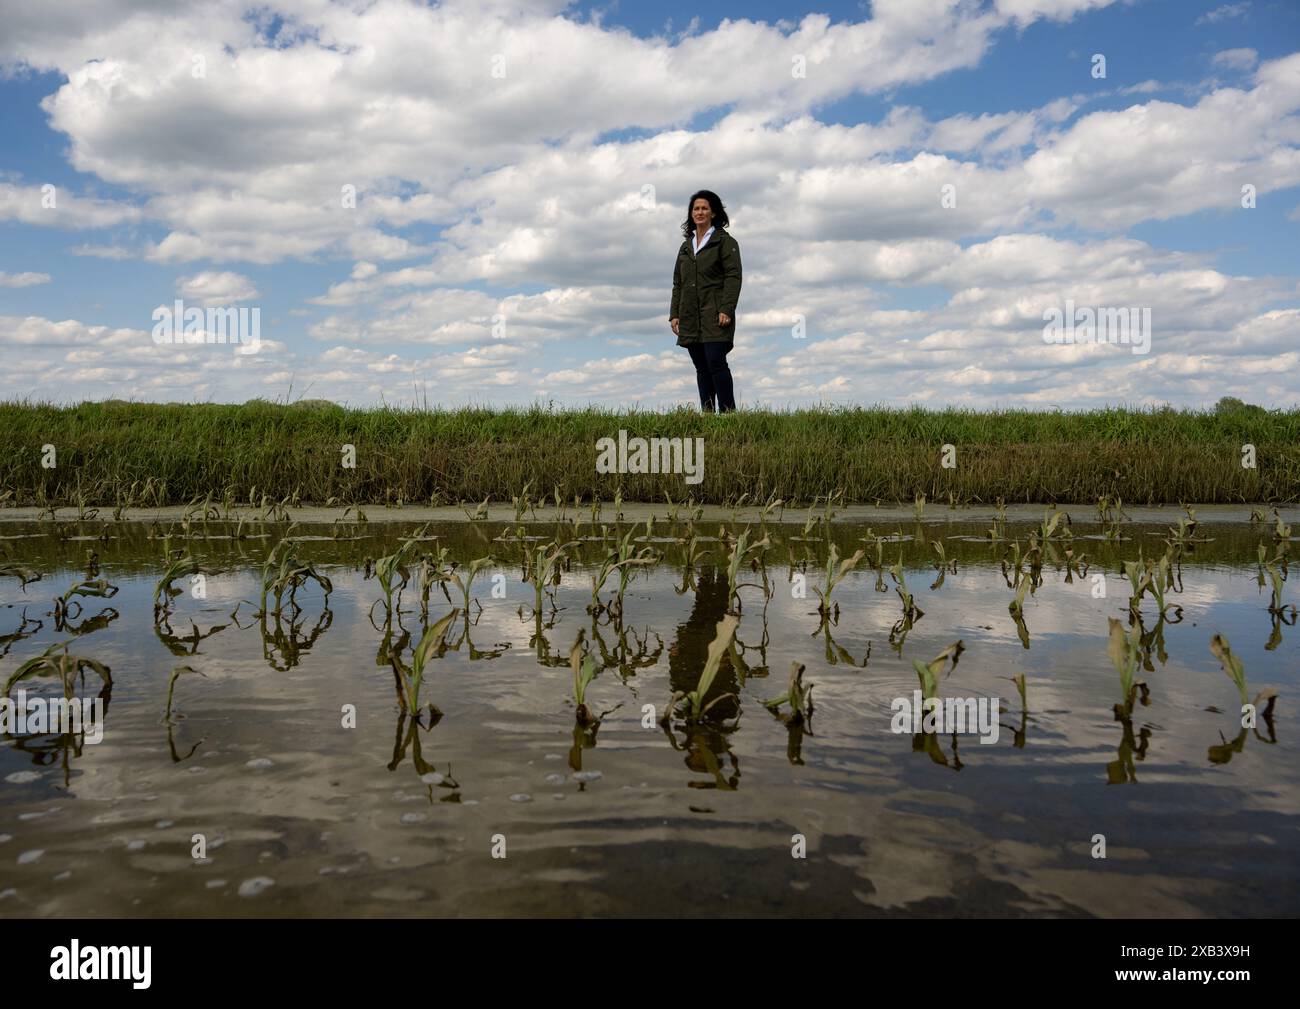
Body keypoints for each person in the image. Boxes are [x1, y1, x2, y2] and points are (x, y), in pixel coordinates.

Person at [670, 190, 742, 413]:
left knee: (716, 362)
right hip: (690, 315)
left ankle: (729, 414)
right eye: (696, 208)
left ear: (713, 213)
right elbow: (678, 282)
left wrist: (726, 309)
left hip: (715, 313)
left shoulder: (725, 242)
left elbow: (733, 276)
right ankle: (708, 414)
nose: (699, 212)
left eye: (704, 208)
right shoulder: (685, 247)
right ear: (691, 214)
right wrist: (674, 314)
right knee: (701, 367)